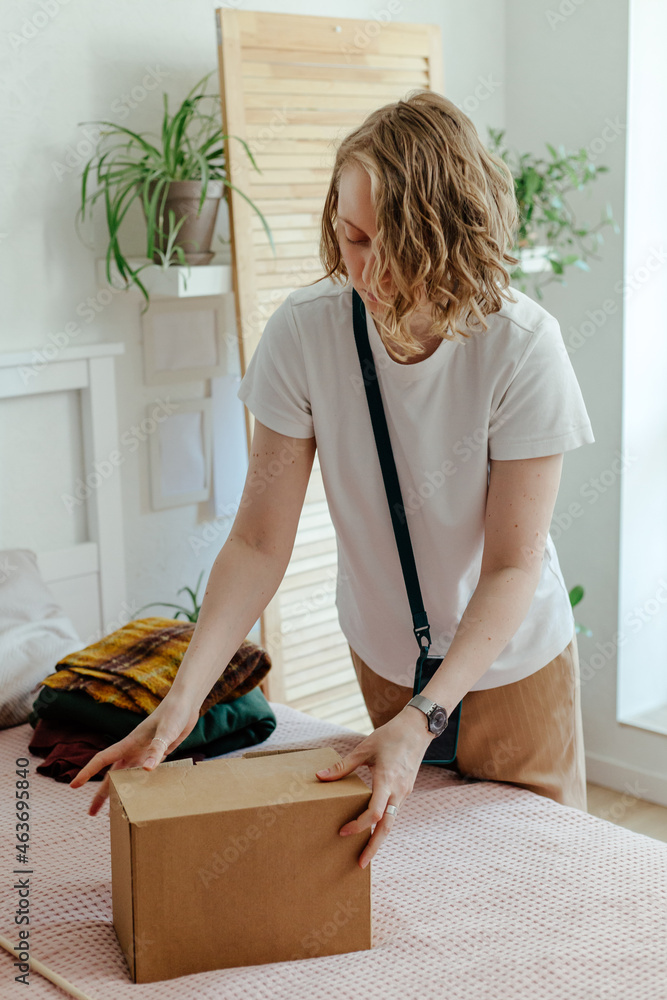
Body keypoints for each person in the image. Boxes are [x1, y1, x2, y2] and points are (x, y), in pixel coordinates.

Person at [70, 91, 595, 870]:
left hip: (511, 663)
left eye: (396, 245)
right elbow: (257, 541)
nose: (368, 270)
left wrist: (423, 718)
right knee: (419, 872)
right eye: (352, 238)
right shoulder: (306, 331)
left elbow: (512, 566)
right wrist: (181, 702)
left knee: (543, 874)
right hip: (385, 655)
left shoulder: (521, 345)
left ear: (450, 235)